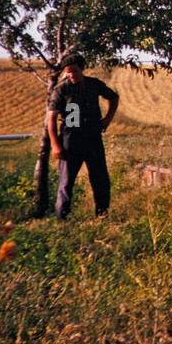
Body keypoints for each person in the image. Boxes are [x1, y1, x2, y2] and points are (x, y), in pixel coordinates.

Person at [44, 53, 119, 220]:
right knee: (66, 183)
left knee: (100, 180)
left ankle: (102, 216)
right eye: (68, 72)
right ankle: (62, 219)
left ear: (82, 69)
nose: (71, 75)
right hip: (70, 140)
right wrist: (56, 146)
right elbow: (51, 119)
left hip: (93, 138)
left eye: (75, 71)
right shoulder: (61, 90)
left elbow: (114, 98)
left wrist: (107, 120)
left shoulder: (94, 85)